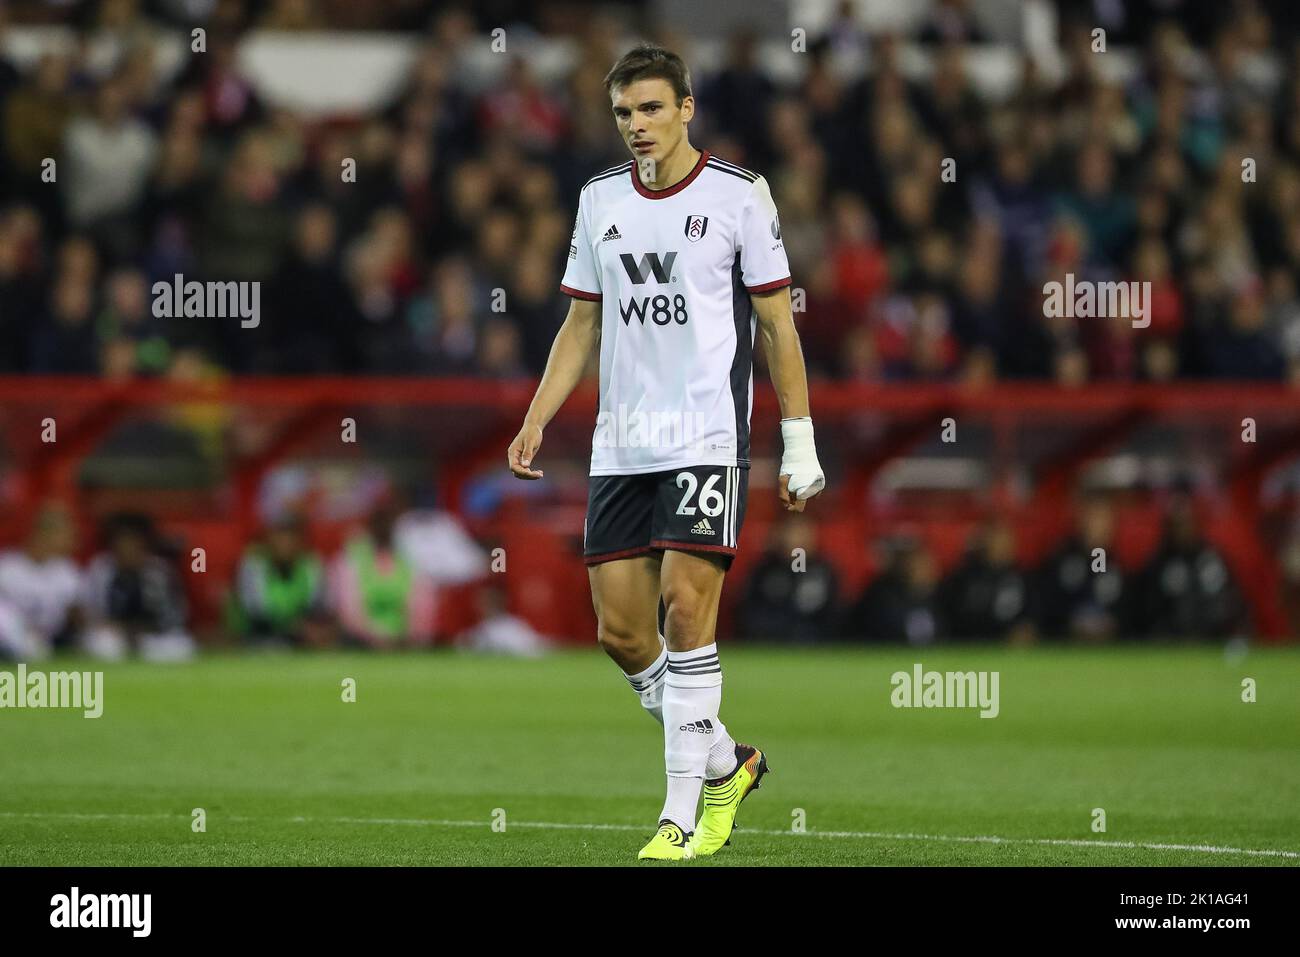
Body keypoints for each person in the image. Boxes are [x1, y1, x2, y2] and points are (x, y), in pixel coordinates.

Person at [506, 44, 825, 861]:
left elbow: (778, 324)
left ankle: (680, 815)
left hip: (705, 435)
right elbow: (581, 323)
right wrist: (537, 418)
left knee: (686, 610)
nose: (637, 126)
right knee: (620, 632)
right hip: (623, 443)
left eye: (651, 109)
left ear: (687, 108)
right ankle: (726, 761)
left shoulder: (739, 196)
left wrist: (798, 441)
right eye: (623, 113)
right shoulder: (598, 199)